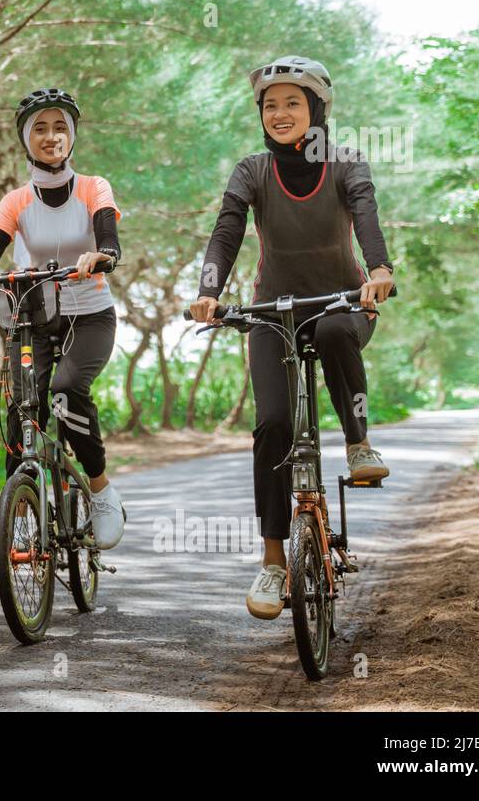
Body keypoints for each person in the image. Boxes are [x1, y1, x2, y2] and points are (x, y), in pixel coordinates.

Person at [188, 56, 396, 620]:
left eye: (293, 103)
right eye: (270, 104)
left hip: (346, 303)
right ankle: (274, 560)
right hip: (272, 311)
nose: (280, 113)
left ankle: (358, 444)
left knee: (331, 330)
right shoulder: (251, 171)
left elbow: (367, 215)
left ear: (317, 110)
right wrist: (209, 290)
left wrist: (379, 272)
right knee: (273, 424)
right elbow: (226, 232)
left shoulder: (346, 163)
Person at [0, 88, 125, 549]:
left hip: (90, 316)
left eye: (60, 127)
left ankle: (101, 490)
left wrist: (101, 255)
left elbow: (110, 239)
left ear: (72, 135)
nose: (51, 136)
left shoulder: (92, 187)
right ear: (26, 139)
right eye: (40, 128)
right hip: (35, 319)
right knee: (22, 407)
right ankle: (21, 511)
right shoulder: (16, 201)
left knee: (65, 390)